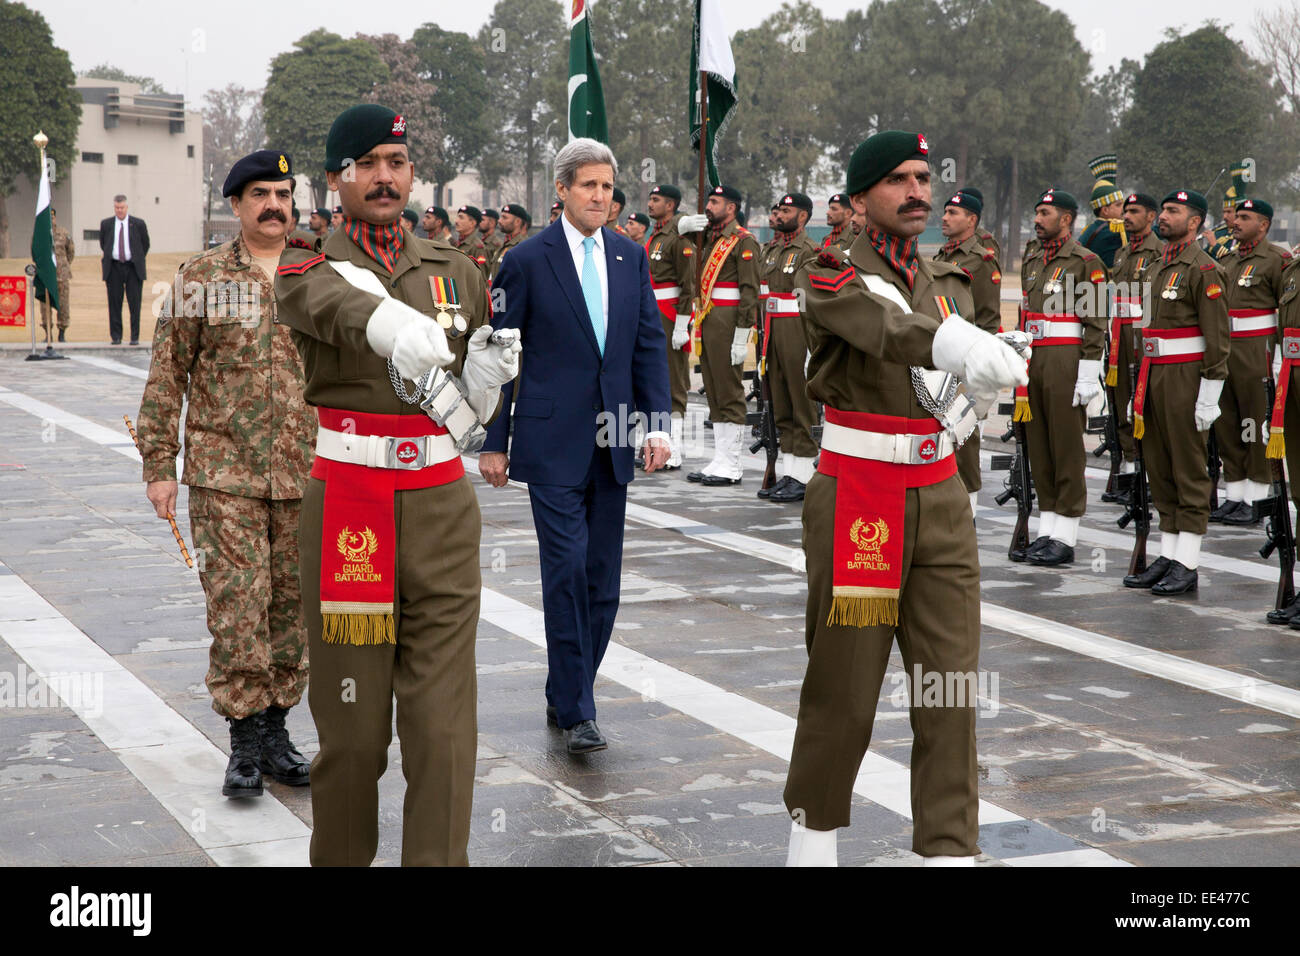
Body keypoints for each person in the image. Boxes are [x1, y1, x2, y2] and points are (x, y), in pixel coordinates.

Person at [275, 104, 519, 866]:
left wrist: (485, 387)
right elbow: (331, 308)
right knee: (352, 737)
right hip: (351, 504)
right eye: (368, 163)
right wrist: (390, 327)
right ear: (337, 179)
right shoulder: (305, 263)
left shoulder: (457, 271)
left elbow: (468, 407)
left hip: (442, 509)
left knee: (444, 734)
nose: (386, 176)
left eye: (398, 162)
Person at [785, 130, 1028, 866]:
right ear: (859, 200)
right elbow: (886, 330)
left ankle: (949, 851)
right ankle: (813, 836)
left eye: (924, 177)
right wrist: (960, 345)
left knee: (951, 687)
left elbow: (946, 380)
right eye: (897, 179)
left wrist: (981, 386)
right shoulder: (827, 269)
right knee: (847, 686)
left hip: (939, 495)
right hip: (862, 496)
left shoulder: (938, 275)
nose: (917, 191)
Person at [478, 138, 671, 755]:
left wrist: (658, 424)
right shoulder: (526, 260)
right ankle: (581, 711)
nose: (600, 196)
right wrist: (495, 440)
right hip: (550, 439)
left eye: (608, 186)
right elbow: (502, 359)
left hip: (613, 440)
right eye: (587, 185)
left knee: (602, 582)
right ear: (560, 191)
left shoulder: (628, 257)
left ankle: (568, 689)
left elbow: (647, 345)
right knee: (564, 573)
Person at [135, 150, 315, 799]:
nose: (275, 205)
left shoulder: (315, 274)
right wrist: (160, 465)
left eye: (283, 193)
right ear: (236, 205)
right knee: (238, 608)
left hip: (305, 476)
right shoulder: (201, 277)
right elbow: (167, 377)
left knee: (293, 612)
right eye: (261, 194)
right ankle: (242, 740)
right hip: (224, 476)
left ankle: (277, 731)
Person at [1122, 190, 1229, 595]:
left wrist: (1210, 394)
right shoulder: (1156, 267)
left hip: (1185, 377)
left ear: (1195, 221)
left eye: (1173, 211)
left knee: (1187, 468)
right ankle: (1168, 554)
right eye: (1164, 210)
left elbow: (1218, 338)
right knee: (1160, 466)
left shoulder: (1204, 270)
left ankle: (1188, 561)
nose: (1163, 217)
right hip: (1154, 375)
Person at [1014, 188, 1107, 565]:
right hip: (1032, 359)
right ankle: (1046, 530)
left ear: (1066, 219)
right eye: (1036, 212)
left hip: (1065, 360)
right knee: (1039, 445)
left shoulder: (1087, 261)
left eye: (1045, 213)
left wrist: (1088, 372)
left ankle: (1065, 537)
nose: (1037, 219)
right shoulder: (1032, 257)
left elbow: (1097, 320)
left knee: (1066, 446)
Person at [1211, 197, 1288, 525]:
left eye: (1245, 217)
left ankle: (1257, 497)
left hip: (1258, 351)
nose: (1236, 222)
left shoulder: (1277, 260)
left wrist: (1279, 359)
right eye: (1236, 216)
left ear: (1264, 224)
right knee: (1228, 423)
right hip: (1228, 349)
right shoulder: (1228, 260)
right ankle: (1236, 495)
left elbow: (1286, 310)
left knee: (1255, 424)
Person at [678, 185, 761, 486]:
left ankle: (732, 463)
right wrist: (684, 225)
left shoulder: (743, 242)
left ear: (732, 208)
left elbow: (749, 292)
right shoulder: (709, 239)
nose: (708, 206)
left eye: (715, 202)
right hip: (708, 321)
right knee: (713, 390)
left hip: (728, 322)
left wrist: (742, 335)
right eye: (708, 201)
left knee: (728, 390)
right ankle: (721, 459)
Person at [934, 189, 1002, 512]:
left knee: (964, 439)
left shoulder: (982, 259)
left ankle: (969, 513)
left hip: (966, 361)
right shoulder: (941, 257)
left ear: (972, 220)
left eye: (953, 213)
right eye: (945, 212)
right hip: (941, 359)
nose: (945, 218)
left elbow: (989, 319)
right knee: (941, 436)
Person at [758, 192, 820, 503]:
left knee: (801, 405)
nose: (780, 214)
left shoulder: (808, 250)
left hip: (797, 331)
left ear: (803, 217)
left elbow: (810, 301)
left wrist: (812, 345)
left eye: (787, 210)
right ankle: (790, 473)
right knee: (781, 405)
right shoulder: (771, 250)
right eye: (779, 209)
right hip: (772, 332)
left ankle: (805, 476)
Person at [1106, 192, 1164, 494]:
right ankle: (1128, 469)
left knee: (1142, 403)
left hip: (1143, 333)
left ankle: (1148, 473)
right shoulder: (1122, 253)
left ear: (1151, 217)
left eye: (1134, 211)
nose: (1126, 216)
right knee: (1120, 400)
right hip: (1120, 334)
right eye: (1125, 211)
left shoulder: (1160, 252)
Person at [646, 183, 695, 469]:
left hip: (669, 312)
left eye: (657, 200)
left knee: (674, 382)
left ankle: (673, 447)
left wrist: (681, 322)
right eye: (651, 199)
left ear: (671, 206)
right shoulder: (657, 236)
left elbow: (687, 284)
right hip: (654, 313)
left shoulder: (678, 238)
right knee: (653, 376)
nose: (650, 204)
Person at [100, 193, 149, 345]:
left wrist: (136, 257)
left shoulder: (138, 224)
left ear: (126, 207)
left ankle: (134, 337)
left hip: (133, 267)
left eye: (122, 207)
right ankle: (116, 336)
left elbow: (145, 244)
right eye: (117, 207)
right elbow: (103, 243)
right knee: (114, 302)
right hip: (114, 267)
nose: (119, 210)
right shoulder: (106, 224)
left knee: (135, 303)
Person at [1079, 155, 1126, 269]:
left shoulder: (1091, 228)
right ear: (1105, 210)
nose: (1124, 209)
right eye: (1119, 205)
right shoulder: (1112, 230)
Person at [38, 209, 74, 343]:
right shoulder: (40, 234)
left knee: (63, 305)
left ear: (55, 218)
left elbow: (70, 252)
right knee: (45, 306)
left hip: (61, 275)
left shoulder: (64, 233)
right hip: (46, 276)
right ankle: (48, 334)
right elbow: (35, 252)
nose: (51, 220)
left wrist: (63, 266)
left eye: (53, 217)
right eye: (48, 218)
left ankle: (62, 333)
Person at [490, 203, 530, 281]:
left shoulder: (522, 246)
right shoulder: (504, 245)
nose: (499, 221)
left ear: (517, 221)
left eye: (504, 218)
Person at [453, 205, 490, 278]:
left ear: (472, 223)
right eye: (457, 217)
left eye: (461, 218)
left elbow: (481, 277)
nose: (456, 221)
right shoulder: (458, 243)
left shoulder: (477, 247)